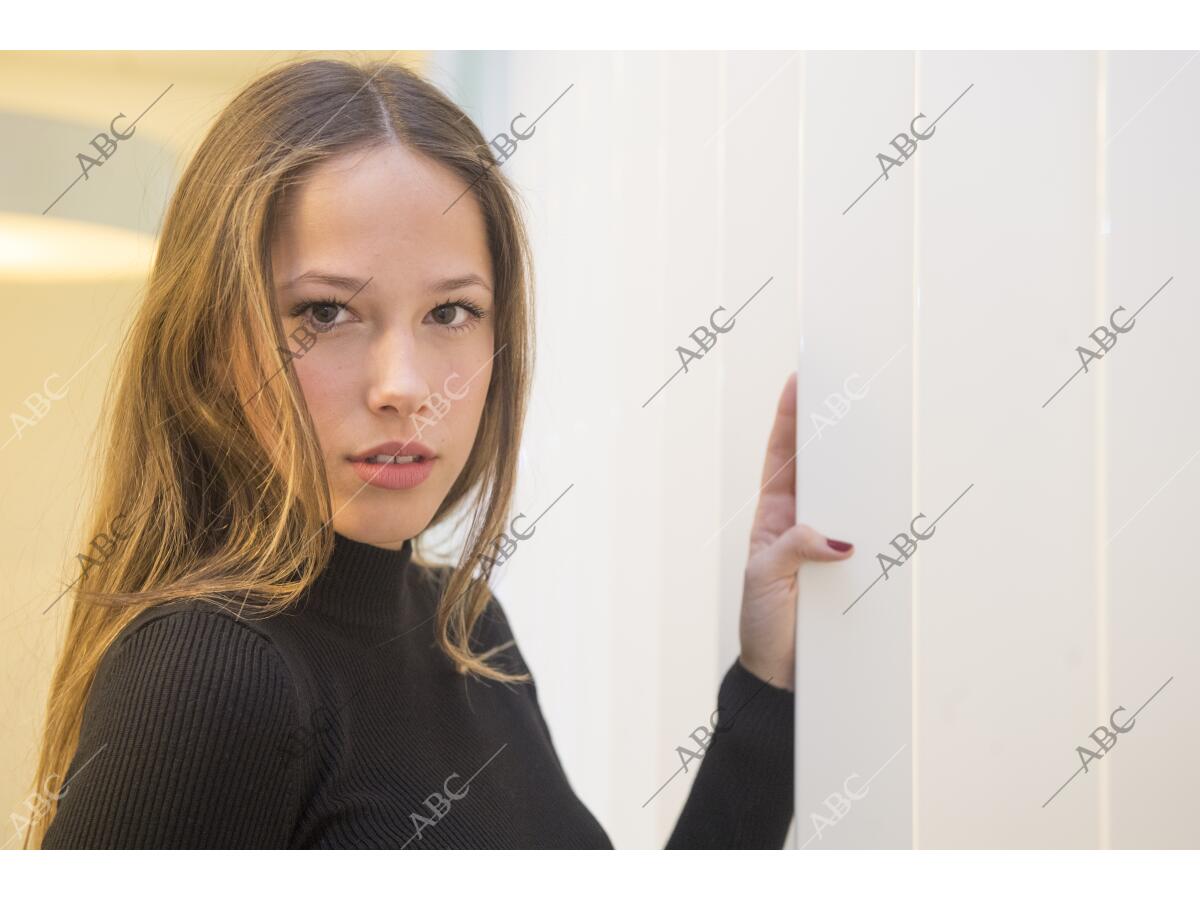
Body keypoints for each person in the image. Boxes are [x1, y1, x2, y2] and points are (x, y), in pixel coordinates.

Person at [26, 57, 854, 849]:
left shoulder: (467, 628)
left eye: (451, 313)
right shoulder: (209, 669)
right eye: (325, 313)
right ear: (210, 345)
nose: (405, 386)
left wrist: (766, 680)